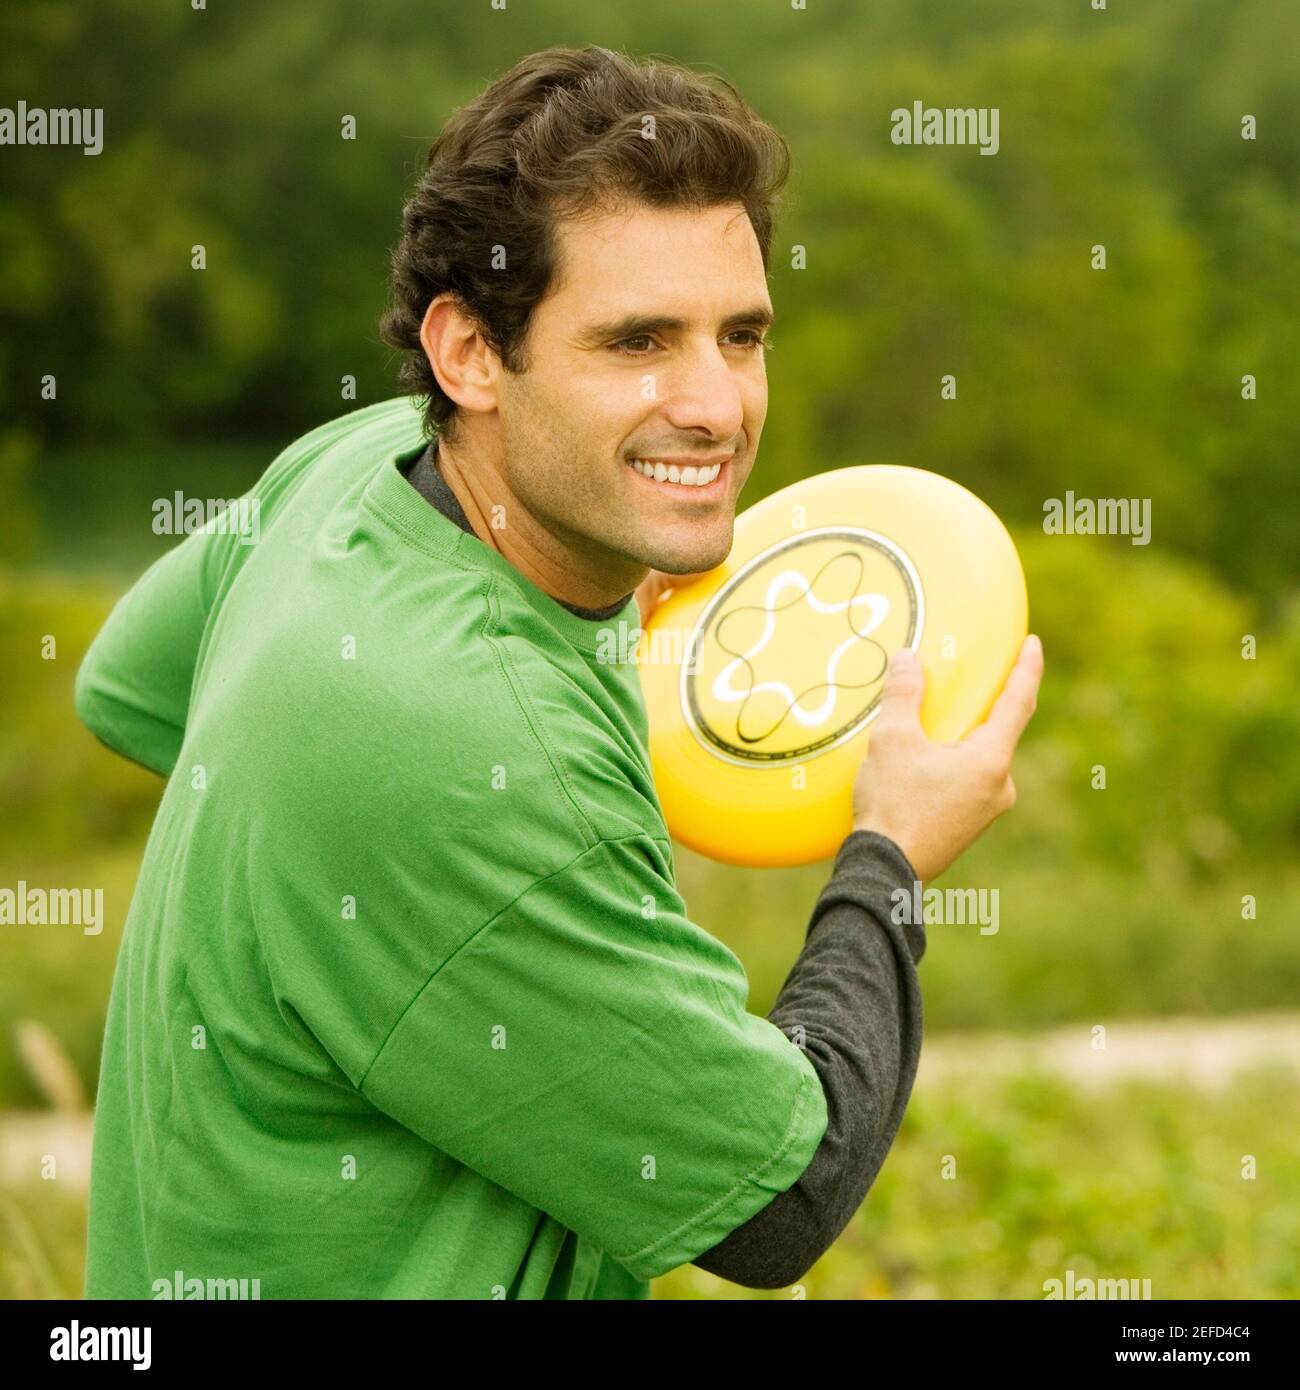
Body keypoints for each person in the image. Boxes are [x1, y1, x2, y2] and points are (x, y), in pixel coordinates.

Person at [75, 44, 1043, 1300]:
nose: (713, 405)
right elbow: (780, 1202)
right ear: (471, 351)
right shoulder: (479, 756)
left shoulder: (353, 467)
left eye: (739, 335)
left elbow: (124, 687)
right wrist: (891, 858)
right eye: (638, 340)